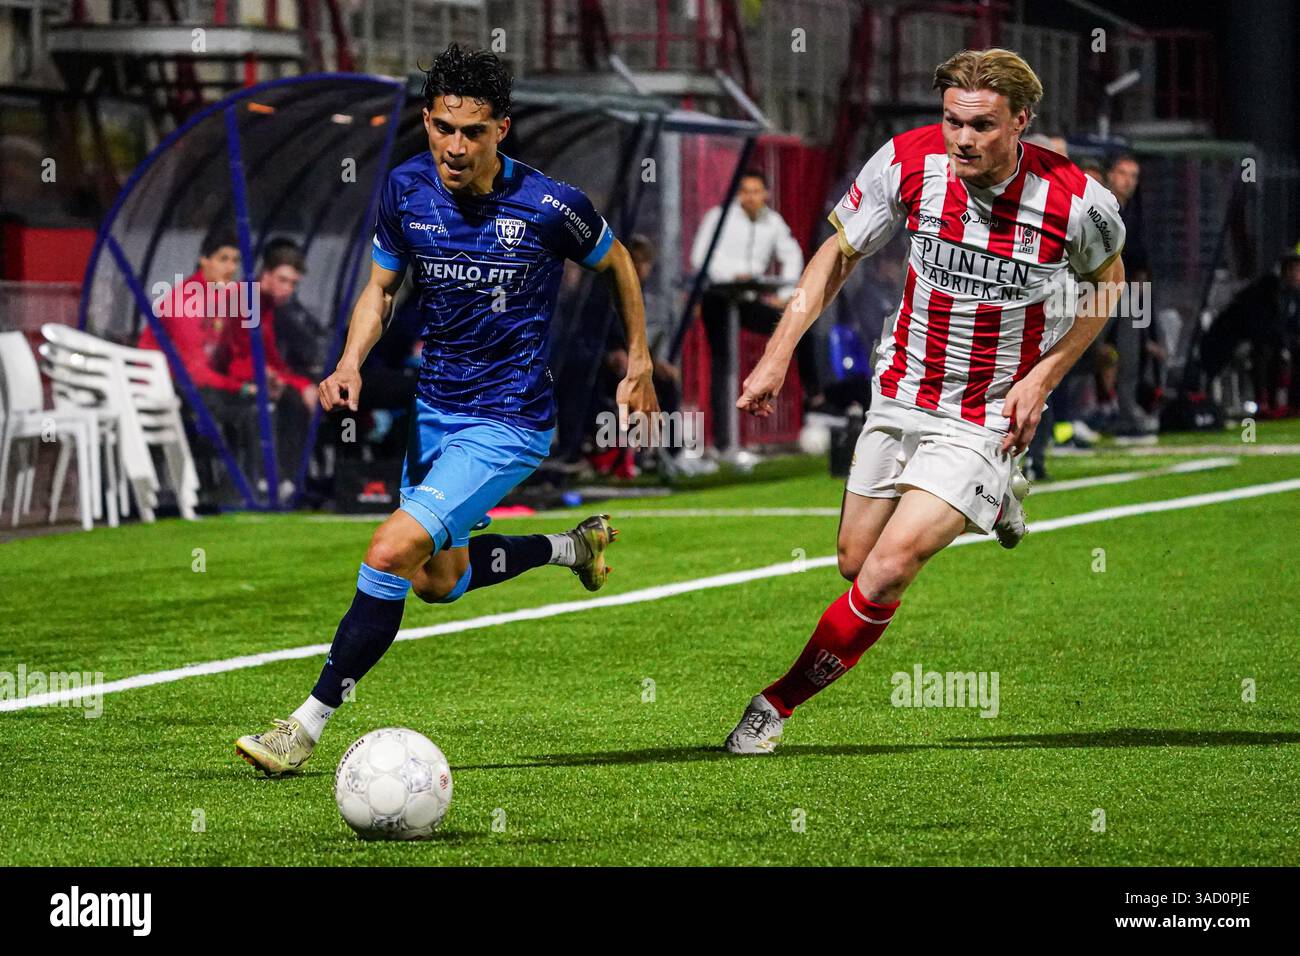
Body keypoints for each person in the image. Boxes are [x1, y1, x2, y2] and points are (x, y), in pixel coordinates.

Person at [235, 43, 659, 774]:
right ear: (427, 121)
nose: (453, 147)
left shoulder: (552, 206)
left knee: (390, 549)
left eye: (471, 131)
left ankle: (301, 728)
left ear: (502, 128)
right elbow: (381, 288)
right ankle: (572, 548)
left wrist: (641, 360)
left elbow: (616, 260)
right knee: (438, 580)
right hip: (437, 414)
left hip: (509, 421)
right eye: (440, 127)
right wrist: (348, 361)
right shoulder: (405, 190)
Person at [722, 47, 1126, 754]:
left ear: (1020, 123)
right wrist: (779, 351)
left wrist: (1043, 378)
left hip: (985, 415)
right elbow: (838, 252)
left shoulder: (1075, 201)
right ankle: (996, 503)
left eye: (982, 125)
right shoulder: (908, 161)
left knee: (886, 570)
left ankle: (775, 706)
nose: (963, 138)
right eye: (952, 121)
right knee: (853, 559)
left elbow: (1109, 283)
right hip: (902, 388)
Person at [690, 170, 805, 454]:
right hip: (719, 298)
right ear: (739, 194)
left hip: (749, 300)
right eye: (746, 191)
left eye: (757, 191)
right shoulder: (718, 217)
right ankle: (723, 441)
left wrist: (783, 296)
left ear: (765, 194)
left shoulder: (773, 221)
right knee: (723, 363)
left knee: (796, 327)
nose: (751, 197)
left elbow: (791, 255)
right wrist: (733, 274)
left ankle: (815, 401)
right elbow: (700, 257)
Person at [217, 238, 318, 495]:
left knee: (298, 398)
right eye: (283, 280)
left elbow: (272, 361)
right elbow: (230, 355)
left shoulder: (267, 307)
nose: (288, 289)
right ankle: (276, 478)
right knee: (289, 401)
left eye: (293, 283)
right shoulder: (243, 299)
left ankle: (288, 479)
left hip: (254, 379)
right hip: (227, 383)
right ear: (266, 274)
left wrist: (303, 384)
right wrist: (265, 375)